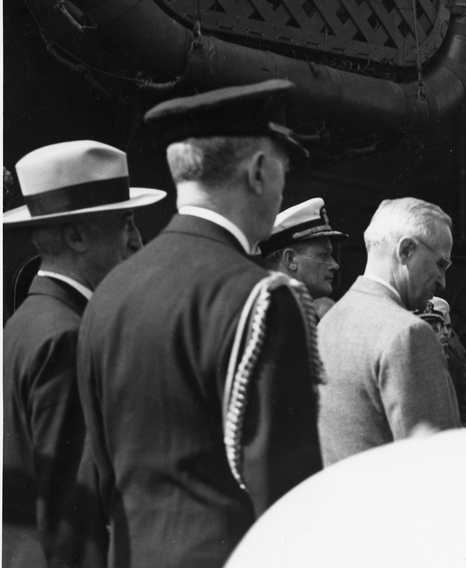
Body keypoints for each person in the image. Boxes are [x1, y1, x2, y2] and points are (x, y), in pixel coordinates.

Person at [76, 80, 324, 568]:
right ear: (257, 172)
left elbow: (99, 474)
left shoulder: (108, 293)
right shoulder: (264, 300)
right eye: (283, 171)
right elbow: (286, 501)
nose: (281, 189)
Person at [3, 140, 165, 568]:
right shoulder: (67, 337)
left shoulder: (27, 322)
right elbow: (70, 510)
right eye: (125, 224)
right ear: (76, 236)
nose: (136, 240)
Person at [317, 197, 460, 466]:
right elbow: (436, 469)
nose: (442, 282)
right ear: (406, 250)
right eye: (440, 265)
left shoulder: (330, 321)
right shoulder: (408, 336)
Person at [261, 197, 347, 318]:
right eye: (323, 255)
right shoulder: (275, 319)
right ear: (290, 259)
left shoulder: (303, 316)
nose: (335, 265)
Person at [415, 297, 466, 426]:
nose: (445, 333)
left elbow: (462, 412)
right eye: (437, 328)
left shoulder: (454, 365)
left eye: (448, 327)